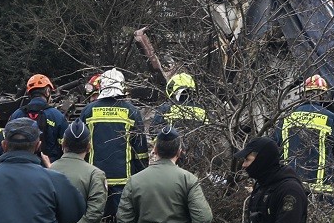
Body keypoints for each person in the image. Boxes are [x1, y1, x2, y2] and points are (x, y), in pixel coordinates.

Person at [82, 68, 147, 214]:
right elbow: (140, 150)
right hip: (123, 179)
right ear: (122, 86)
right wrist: (142, 175)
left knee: (97, 218)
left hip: (95, 178)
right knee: (121, 221)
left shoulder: (88, 110)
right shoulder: (132, 111)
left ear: (102, 86)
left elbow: (79, 144)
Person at [281, 76, 334, 196]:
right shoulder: (330, 118)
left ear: (303, 94)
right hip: (320, 185)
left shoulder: (287, 116)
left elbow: (276, 143)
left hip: (289, 182)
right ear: (323, 95)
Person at [151, 73, 208, 162]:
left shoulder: (167, 108)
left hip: (171, 158)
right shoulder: (203, 110)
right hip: (197, 160)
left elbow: (153, 131)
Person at [11, 75, 68, 162]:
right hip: (49, 168)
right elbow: (66, 146)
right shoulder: (57, 116)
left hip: (21, 166)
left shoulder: (17, 114)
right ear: (47, 91)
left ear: (29, 93)